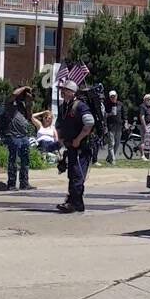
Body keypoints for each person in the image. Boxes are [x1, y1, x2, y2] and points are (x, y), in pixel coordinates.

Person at [56, 80, 95, 213]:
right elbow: (59, 125)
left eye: (65, 89)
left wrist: (78, 139)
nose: (62, 91)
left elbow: (89, 123)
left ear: (72, 92)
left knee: (77, 176)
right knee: (72, 175)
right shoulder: (63, 107)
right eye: (62, 89)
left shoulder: (80, 106)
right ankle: (77, 203)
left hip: (81, 148)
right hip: (70, 147)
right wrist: (60, 140)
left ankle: (73, 203)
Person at [2, 86, 36, 191]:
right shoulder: (10, 104)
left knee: (25, 161)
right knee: (13, 161)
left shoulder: (23, 106)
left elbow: (29, 117)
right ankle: (11, 184)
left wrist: (29, 103)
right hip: (14, 136)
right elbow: (13, 94)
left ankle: (24, 183)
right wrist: (25, 87)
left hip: (24, 136)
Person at [105, 90, 123, 165]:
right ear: (109, 97)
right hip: (111, 126)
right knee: (111, 143)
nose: (113, 98)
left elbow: (124, 114)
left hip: (119, 126)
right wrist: (110, 114)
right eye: (111, 97)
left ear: (116, 96)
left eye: (114, 96)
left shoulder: (120, 104)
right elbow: (104, 115)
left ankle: (109, 157)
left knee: (117, 143)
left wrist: (126, 122)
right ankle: (113, 159)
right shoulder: (107, 105)